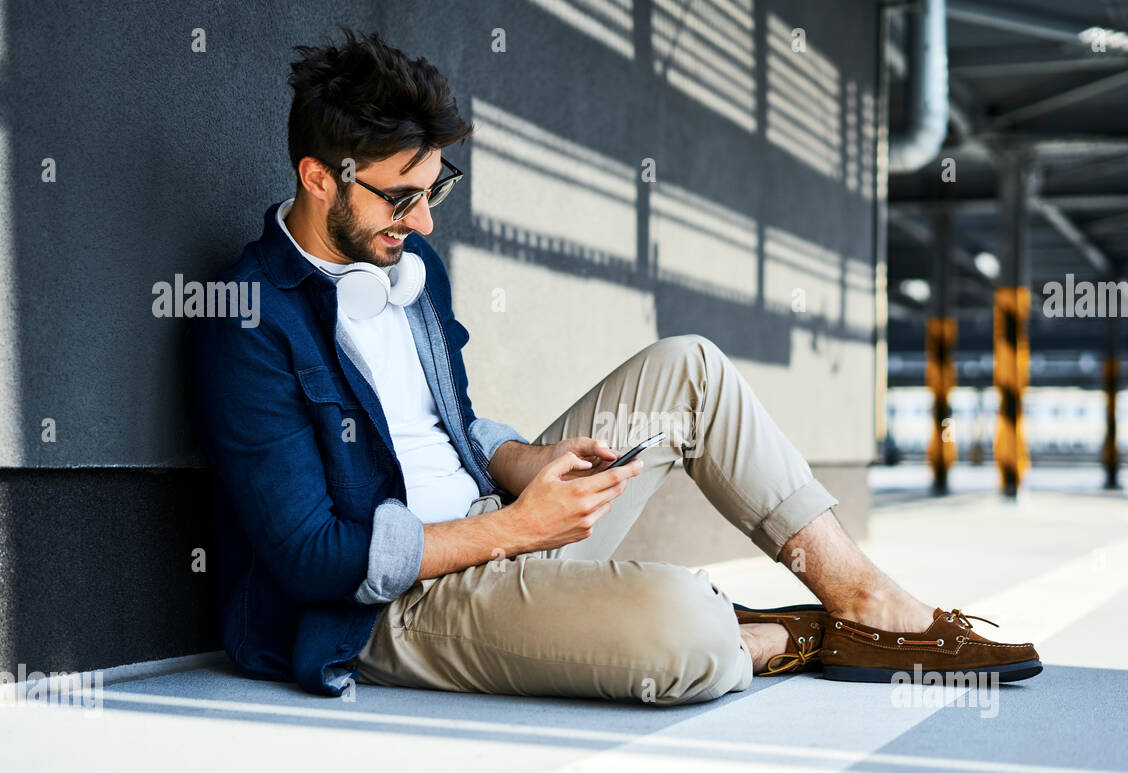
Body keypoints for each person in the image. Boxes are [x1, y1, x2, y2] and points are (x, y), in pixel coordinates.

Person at [185, 29, 1041, 705]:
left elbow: (450, 428)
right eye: (401, 198)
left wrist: (523, 466)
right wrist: (517, 530)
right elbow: (310, 557)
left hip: (500, 523)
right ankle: (782, 635)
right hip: (383, 611)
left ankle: (863, 604)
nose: (426, 223)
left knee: (691, 368)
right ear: (318, 177)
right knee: (682, 636)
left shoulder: (410, 274)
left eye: (434, 192)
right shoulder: (248, 320)